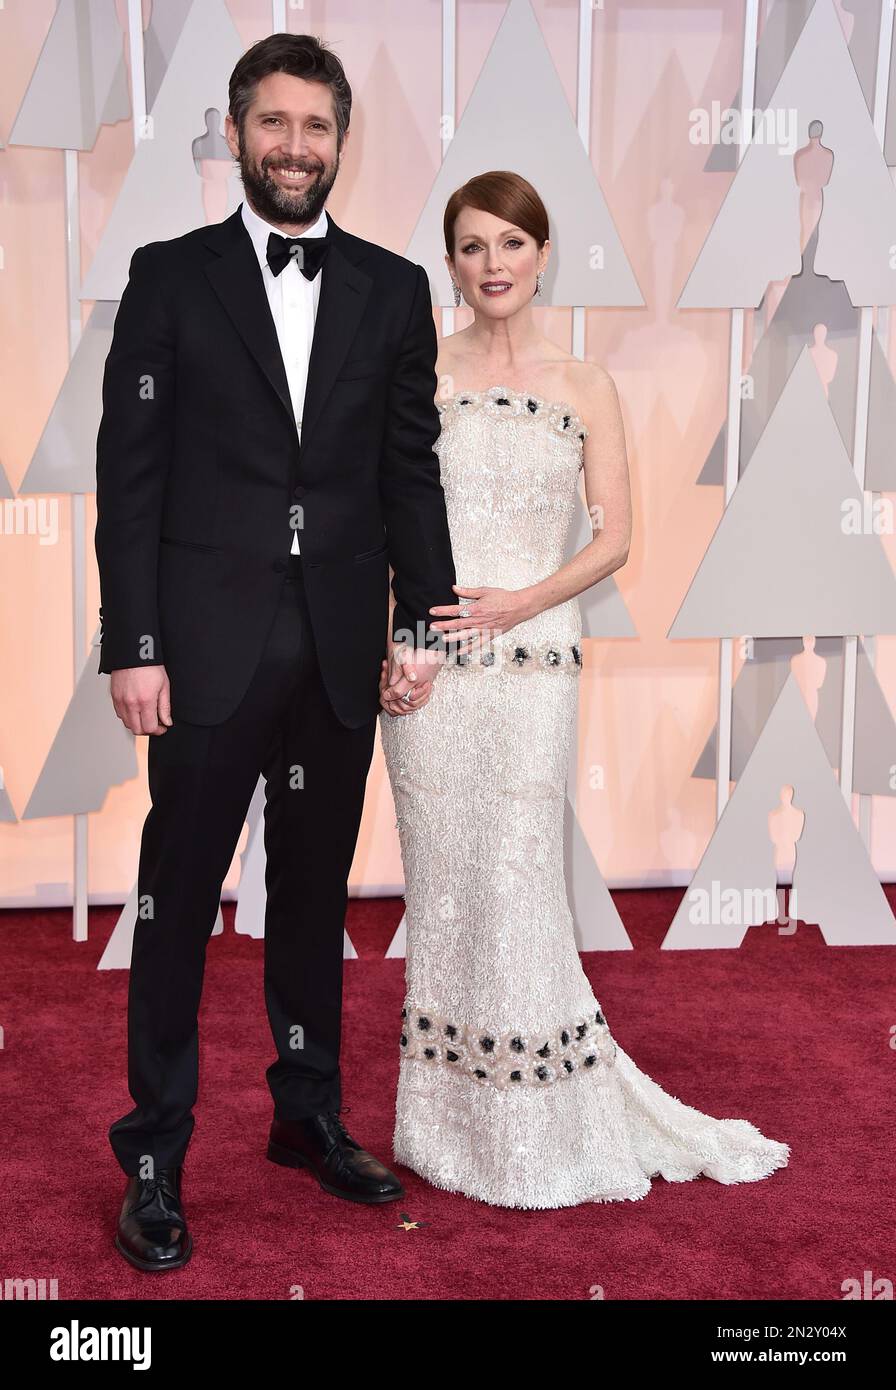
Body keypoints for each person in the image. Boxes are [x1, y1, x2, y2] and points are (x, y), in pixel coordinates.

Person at [95, 33, 463, 1271]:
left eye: (315, 127)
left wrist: (422, 614)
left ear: (340, 143)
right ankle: (152, 1154)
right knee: (176, 902)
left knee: (312, 898)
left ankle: (306, 1117)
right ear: (239, 132)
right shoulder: (169, 277)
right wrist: (132, 643)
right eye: (273, 123)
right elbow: (128, 478)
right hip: (199, 648)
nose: (294, 146)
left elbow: (406, 467)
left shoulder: (392, 286)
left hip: (337, 645)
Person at [378, 171, 791, 1208]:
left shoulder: (584, 381)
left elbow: (614, 539)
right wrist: (400, 635)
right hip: (430, 666)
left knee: (515, 880)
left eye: (510, 243)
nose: (493, 265)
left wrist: (519, 601)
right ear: (451, 262)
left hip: (531, 664)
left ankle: (533, 1127)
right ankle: (444, 1124)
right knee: (446, 887)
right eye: (471, 247)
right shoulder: (412, 369)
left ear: (541, 253)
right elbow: (383, 518)